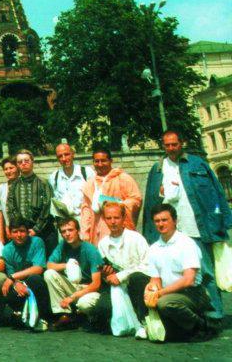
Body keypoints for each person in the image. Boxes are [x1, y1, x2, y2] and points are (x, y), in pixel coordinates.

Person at [142, 130, 232, 323]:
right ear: (163, 146)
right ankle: (189, 309)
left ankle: (215, 313)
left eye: (174, 144)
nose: (171, 148)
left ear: (182, 143)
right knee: (175, 272)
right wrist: (150, 230)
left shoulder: (197, 163)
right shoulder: (158, 169)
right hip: (172, 230)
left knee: (205, 272)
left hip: (197, 227)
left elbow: (217, 192)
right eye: (167, 145)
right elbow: (150, 201)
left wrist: (224, 220)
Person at [144, 203, 215, 341]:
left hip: (192, 293)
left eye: (164, 220)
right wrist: (151, 291)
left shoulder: (186, 244)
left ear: (175, 221)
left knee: (165, 303)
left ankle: (202, 326)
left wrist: (159, 294)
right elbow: (155, 279)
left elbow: (188, 280)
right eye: (157, 221)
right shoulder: (154, 248)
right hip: (168, 293)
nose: (161, 224)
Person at [92, 201, 151, 336]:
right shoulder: (103, 244)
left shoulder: (136, 238)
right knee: (101, 309)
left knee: (137, 278)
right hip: (116, 287)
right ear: (104, 219)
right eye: (109, 218)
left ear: (123, 218)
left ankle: (143, 322)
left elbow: (147, 265)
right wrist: (106, 275)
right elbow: (105, 273)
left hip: (137, 285)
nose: (113, 222)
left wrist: (121, 275)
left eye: (116, 218)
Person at [43, 217, 103, 330]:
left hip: (88, 289)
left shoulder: (90, 250)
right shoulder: (62, 245)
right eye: (63, 231)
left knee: (84, 304)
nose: (67, 234)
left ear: (78, 231)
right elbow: (49, 265)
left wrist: (73, 297)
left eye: (70, 230)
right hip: (73, 285)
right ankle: (64, 314)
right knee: (49, 274)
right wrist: (67, 265)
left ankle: (87, 317)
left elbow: (96, 284)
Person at [80, 145, 142, 245]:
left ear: (110, 161)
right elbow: (86, 210)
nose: (100, 164)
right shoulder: (90, 184)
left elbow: (136, 200)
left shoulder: (123, 178)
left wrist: (115, 205)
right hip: (96, 232)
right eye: (96, 161)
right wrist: (85, 233)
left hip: (118, 229)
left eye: (103, 161)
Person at [0, 218, 50, 331]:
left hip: (36, 283)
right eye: (15, 232)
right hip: (18, 284)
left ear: (28, 231)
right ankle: (21, 314)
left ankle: (43, 318)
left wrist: (13, 278)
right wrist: (16, 283)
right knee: (6, 287)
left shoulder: (37, 242)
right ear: (10, 233)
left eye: (22, 231)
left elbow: (38, 268)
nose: (19, 235)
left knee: (34, 279)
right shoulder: (7, 249)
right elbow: (10, 273)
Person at [6, 150, 55, 253]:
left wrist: (36, 229)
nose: (23, 163)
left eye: (26, 160)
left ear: (33, 162)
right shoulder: (14, 185)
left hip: (44, 232)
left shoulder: (43, 183)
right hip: (22, 234)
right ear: (17, 165)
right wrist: (20, 229)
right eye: (20, 162)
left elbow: (47, 207)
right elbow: (11, 208)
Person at [49, 144, 94, 222]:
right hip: (65, 222)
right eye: (60, 156)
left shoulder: (87, 172)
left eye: (66, 154)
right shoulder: (54, 177)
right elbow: (54, 201)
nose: (64, 159)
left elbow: (94, 198)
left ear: (73, 154)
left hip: (85, 220)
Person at [0, 157, 18, 231]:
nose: (8, 171)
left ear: (17, 168)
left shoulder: (25, 185)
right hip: (9, 229)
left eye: (11, 168)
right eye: (6, 169)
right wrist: (2, 232)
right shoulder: (0, 189)